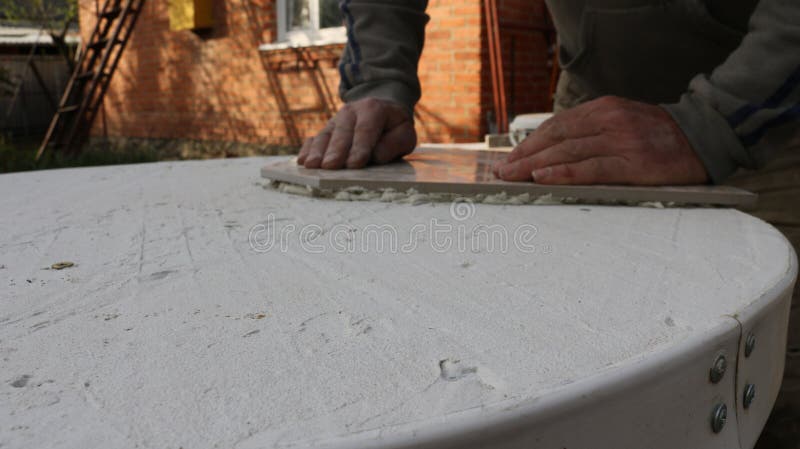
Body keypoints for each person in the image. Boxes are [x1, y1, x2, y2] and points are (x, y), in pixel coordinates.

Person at [299, 1, 800, 446]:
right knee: (557, 339)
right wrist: (379, 82)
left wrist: (716, 121)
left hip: (767, 119)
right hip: (589, 109)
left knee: (766, 368)